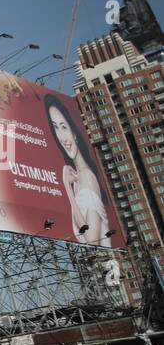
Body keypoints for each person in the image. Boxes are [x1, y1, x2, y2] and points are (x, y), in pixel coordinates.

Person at [46, 94, 112, 246]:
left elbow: (91, 240)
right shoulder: (77, 176)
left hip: (105, 264)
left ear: (75, 134)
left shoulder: (87, 177)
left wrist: (67, 188)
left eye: (64, 127)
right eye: (56, 128)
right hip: (96, 265)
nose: (62, 137)